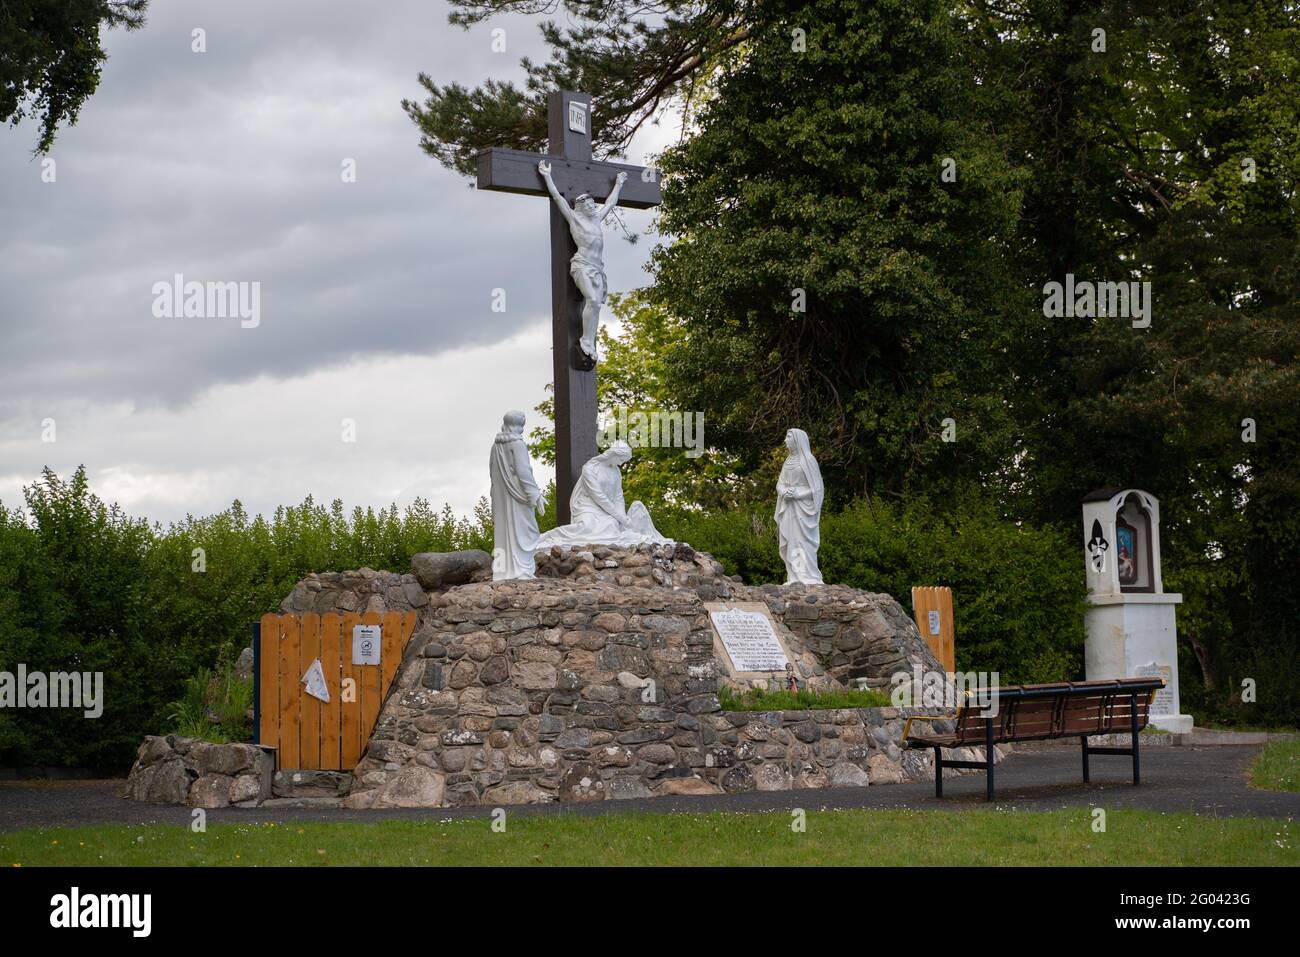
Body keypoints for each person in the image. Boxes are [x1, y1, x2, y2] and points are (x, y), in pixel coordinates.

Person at [538, 160, 627, 365]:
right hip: (582, 265)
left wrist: (619, 184)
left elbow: (611, 203)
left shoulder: (596, 219)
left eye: (591, 204)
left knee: (595, 306)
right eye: (587, 205)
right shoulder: (574, 219)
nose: (591, 207)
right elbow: (557, 198)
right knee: (593, 301)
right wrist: (547, 175)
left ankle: (590, 340)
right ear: (580, 207)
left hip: (597, 267)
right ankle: (586, 340)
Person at [536, 442, 669, 549]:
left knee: (612, 526)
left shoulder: (616, 471)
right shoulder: (590, 469)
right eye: (622, 459)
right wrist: (621, 517)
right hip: (587, 506)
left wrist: (621, 517)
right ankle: (547, 537)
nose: (622, 463)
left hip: (606, 510)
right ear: (614, 454)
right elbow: (599, 496)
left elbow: (618, 497)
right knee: (586, 528)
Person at [489, 410, 546, 580]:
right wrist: (535, 494)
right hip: (518, 494)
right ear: (519, 425)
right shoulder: (517, 444)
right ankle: (522, 571)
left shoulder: (495, 446)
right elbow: (523, 471)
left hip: (501, 494)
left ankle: (503, 571)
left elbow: (492, 472)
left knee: (505, 529)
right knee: (526, 530)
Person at [775, 428, 825, 585]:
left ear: (797, 440)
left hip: (803, 510)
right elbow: (780, 483)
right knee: (791, 541)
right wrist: (784, 492)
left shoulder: (808, 460)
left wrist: (797, 494)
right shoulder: (787, 461)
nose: (785, 440)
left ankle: (807, 575)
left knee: (802, 541)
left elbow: (816, 489)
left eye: (788, 437)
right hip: (789, 508)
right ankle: (794, 576)